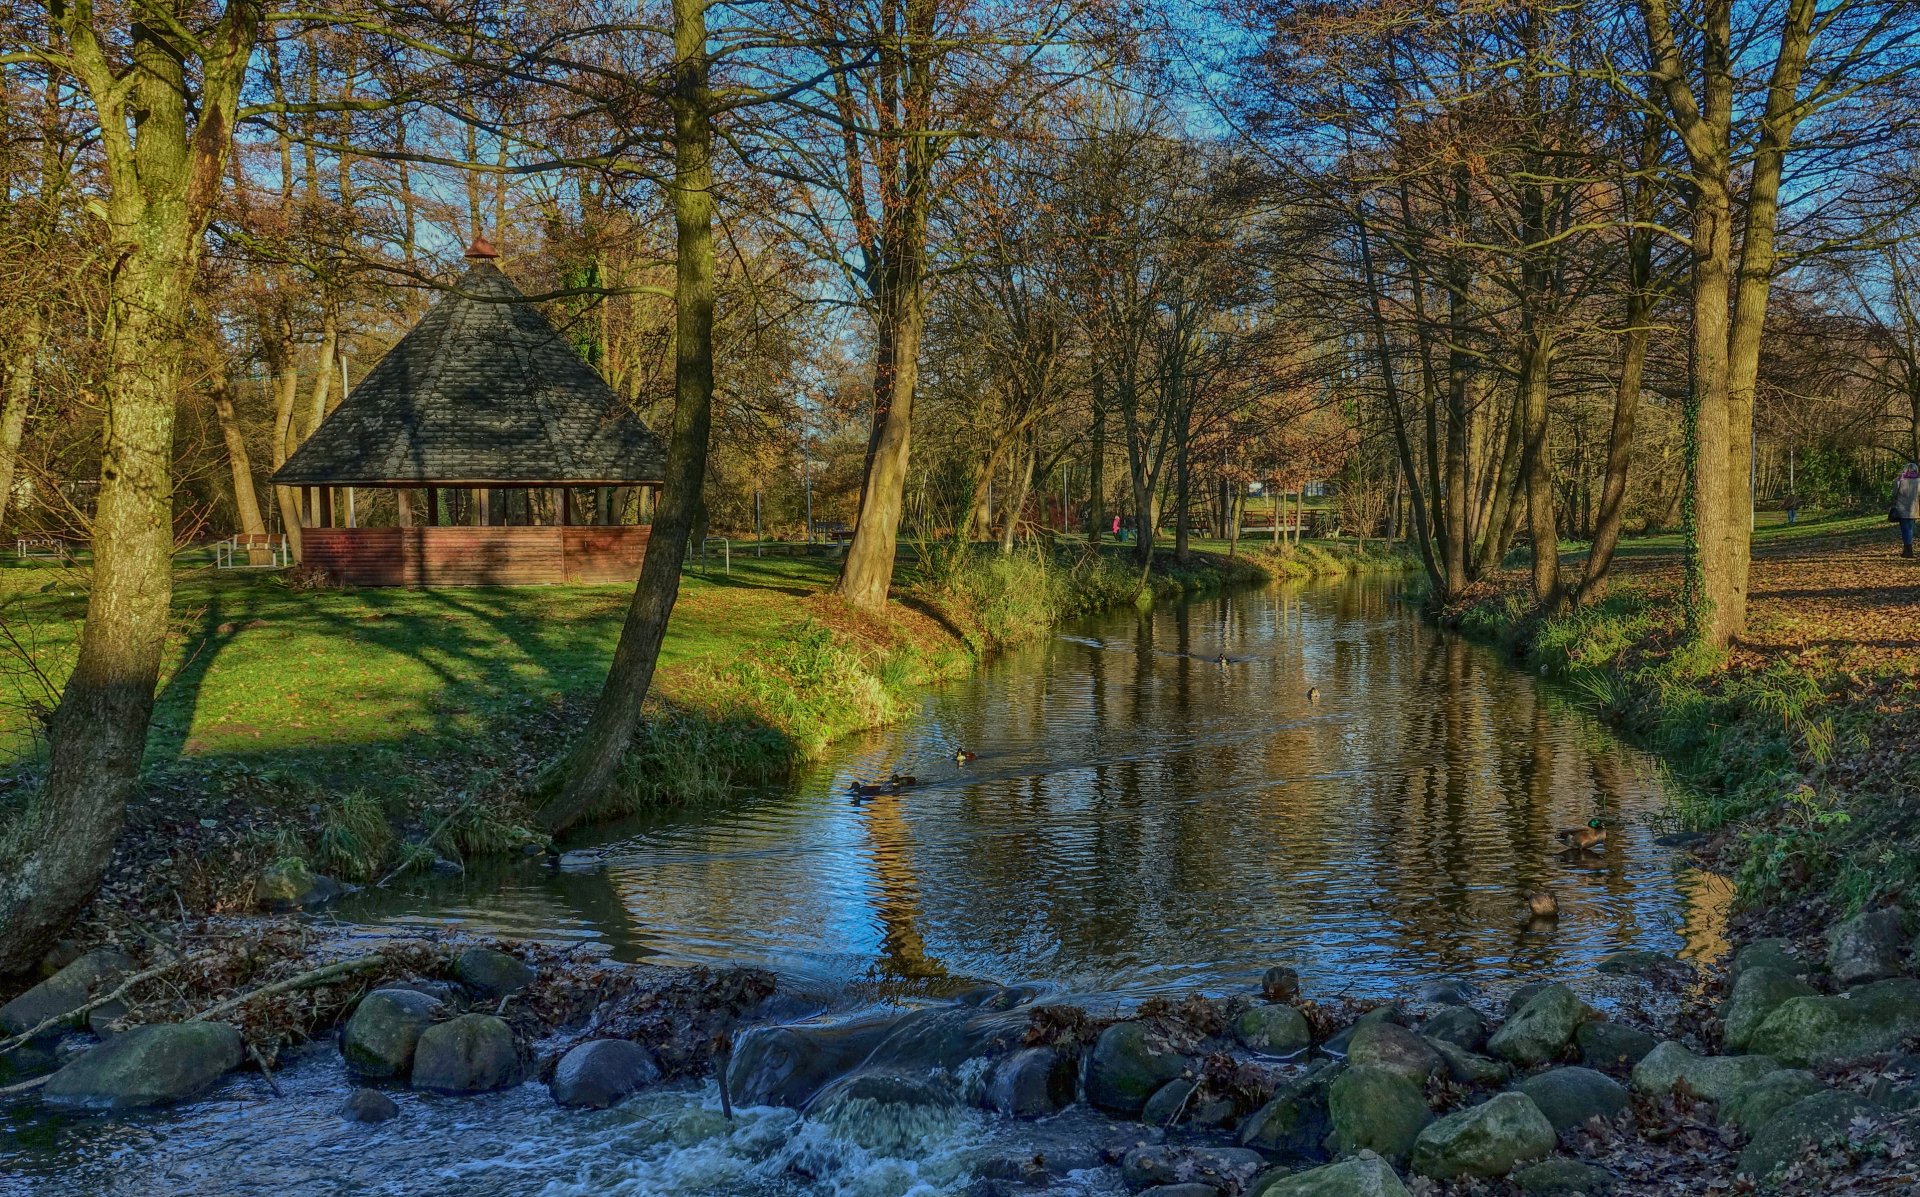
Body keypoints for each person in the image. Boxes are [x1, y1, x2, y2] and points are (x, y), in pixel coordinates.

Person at [1895, 462, 1920, 558]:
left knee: (1905, 529)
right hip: (1913, 507)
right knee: (1910, 528)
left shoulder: (1900, 480)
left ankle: (1908, 550)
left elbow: (1894, 493)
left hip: (1902, 507)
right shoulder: (1919, 480)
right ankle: (1908, 549)